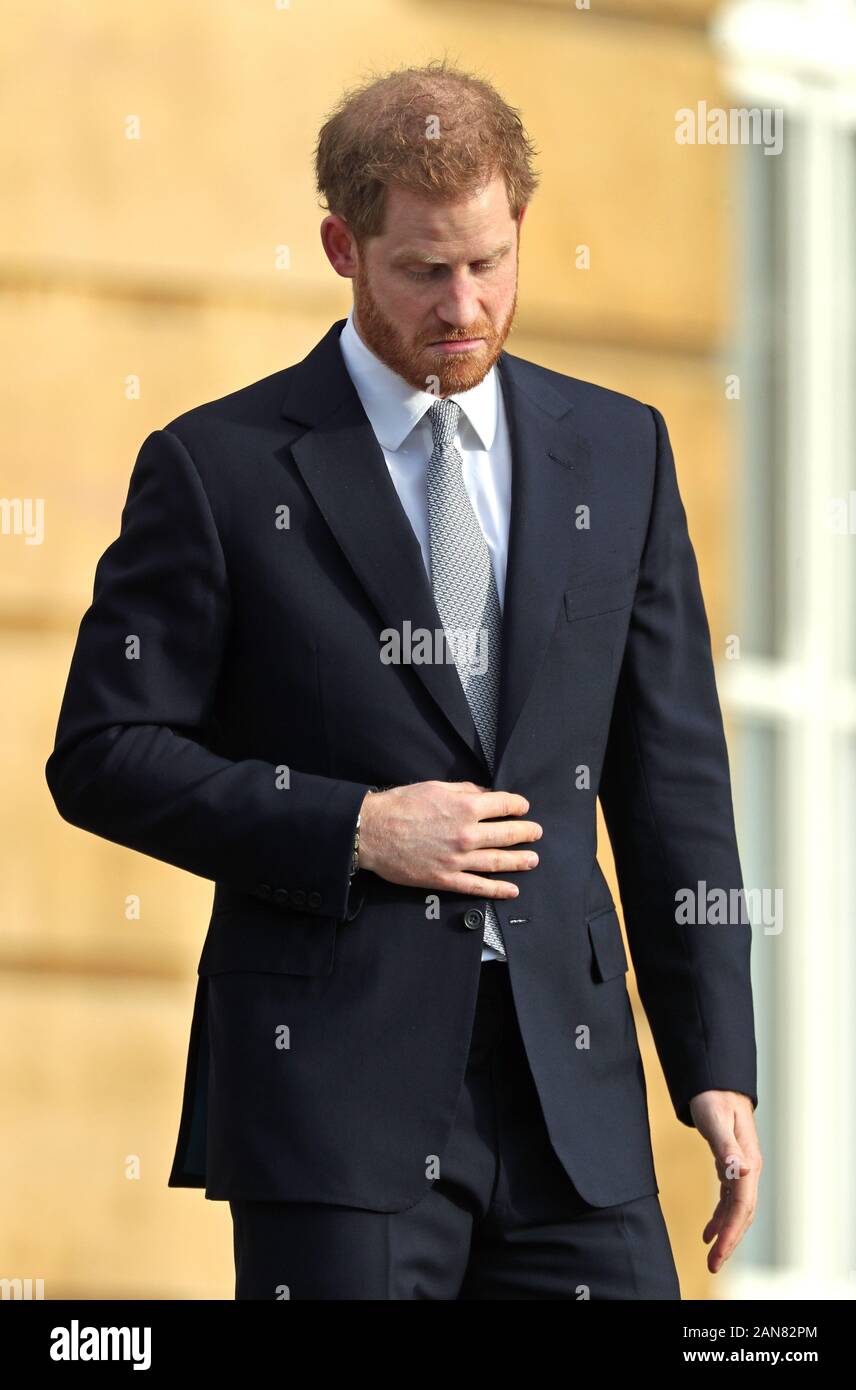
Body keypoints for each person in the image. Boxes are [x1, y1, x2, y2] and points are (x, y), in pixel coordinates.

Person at [45, 59, 761, 1300]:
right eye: (425, 270)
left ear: (520, 225)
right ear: (341, 245)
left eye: (489, 262)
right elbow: (103, 753)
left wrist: (715, 1061)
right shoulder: (217, 470)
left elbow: (671, 781)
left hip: (573, 1106)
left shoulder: (621, 450)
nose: (465, 304)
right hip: (333, 1106)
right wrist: (357, 828)